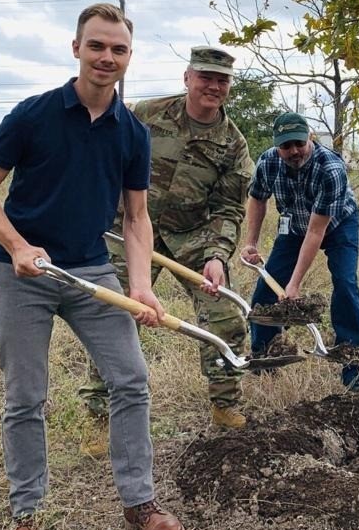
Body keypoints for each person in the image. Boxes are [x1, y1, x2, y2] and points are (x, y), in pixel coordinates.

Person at [0, 3, 185, 530]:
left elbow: (136, 218)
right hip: (22, 274)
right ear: (76, 48)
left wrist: (140, 285)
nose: (107, 57)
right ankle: (26, 511)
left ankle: (140, 502)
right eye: (97, 46)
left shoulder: (132, 133)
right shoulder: (32, 115)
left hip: (90, 271)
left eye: (119, 49)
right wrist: (17, 246)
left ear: (129, 57)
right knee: (25, 397)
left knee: (131, 380)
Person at [78, 46, 256, 454]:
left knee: (225, 316)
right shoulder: (146, 114)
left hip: (191, 234)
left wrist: (217, 255)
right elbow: (103, 154)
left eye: (222, 81)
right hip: (129, 226)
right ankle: (99, 416)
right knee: (115, 317)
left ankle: (225, 405)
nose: (213, 86)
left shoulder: (233, 144)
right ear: (187, 78)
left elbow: (228, 208)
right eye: (205, 77)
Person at [242, 112, 359, 390]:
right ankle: (266, 359)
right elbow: (258, 199)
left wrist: (294, 284)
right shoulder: (268, 162)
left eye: (299, 143)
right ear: (277, 145)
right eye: (286, 146)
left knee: (345, 284)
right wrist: (251, 243)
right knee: (265, 292)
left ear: (309, 138)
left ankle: (354, 368)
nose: (294, 151)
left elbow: (315, 231)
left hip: (339, 224)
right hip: (294, 225)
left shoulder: (330, 168)